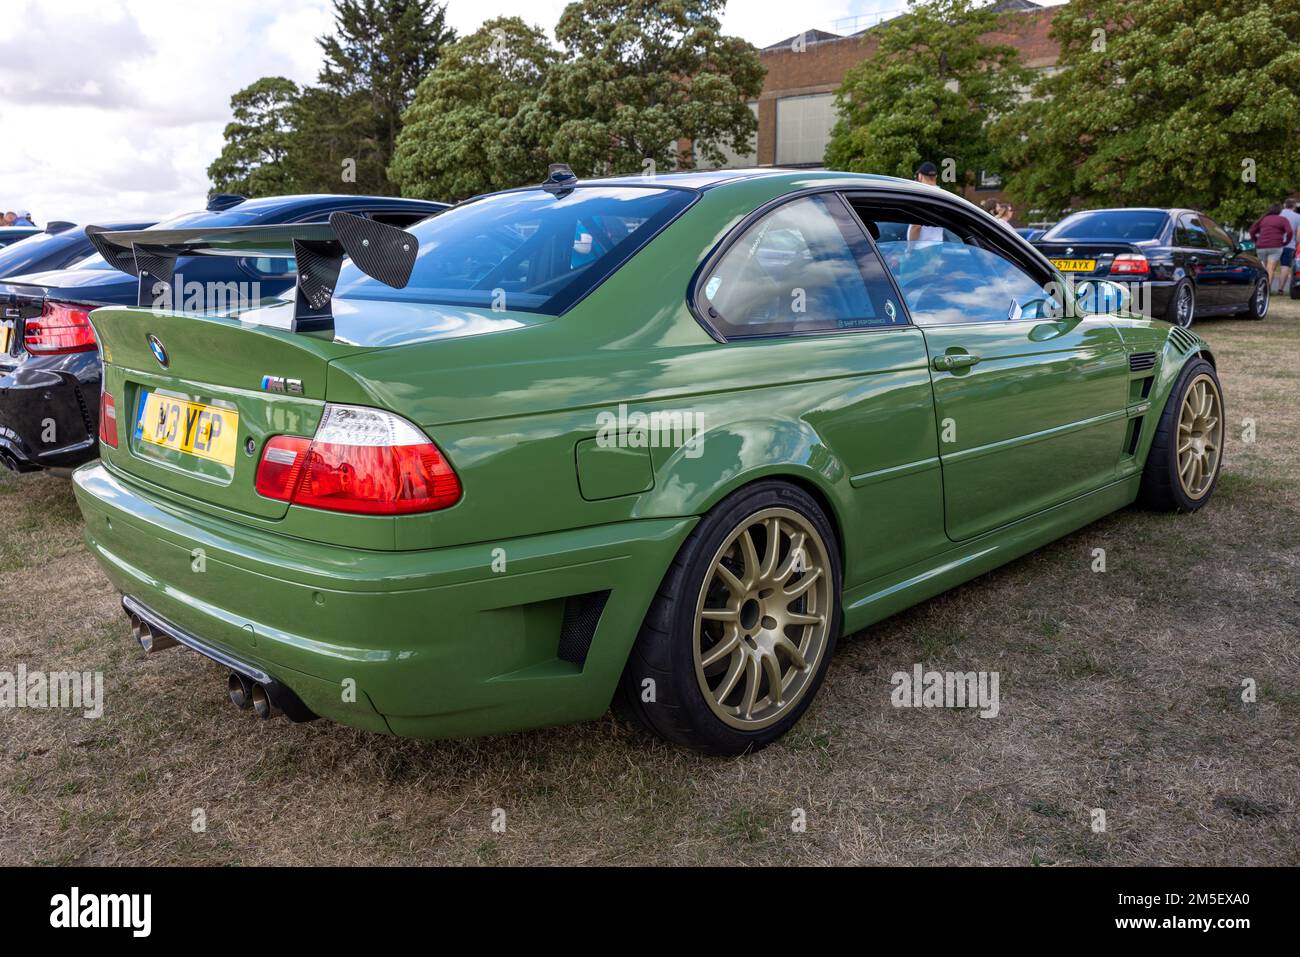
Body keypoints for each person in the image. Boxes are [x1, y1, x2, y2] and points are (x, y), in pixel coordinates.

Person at [1249, 203, 1294, 293]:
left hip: (1261, 246)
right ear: (1280, 211)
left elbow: (1252, 231)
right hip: (1276, 246)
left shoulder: (1262, 219)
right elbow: (1289, 232)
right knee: (1270, 269)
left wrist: (1256, 241)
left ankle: (1259, 289)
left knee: (1262, 269)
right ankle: (1266, 291)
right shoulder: (1283, 220)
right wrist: (1286, 242)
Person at [908, 162, 945, 245]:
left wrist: (910, 249)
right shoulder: (943, 195)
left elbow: (916, 226)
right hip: (937, 246)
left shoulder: (923, 195)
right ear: (936, 176)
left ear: (920, 176)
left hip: (921, 248)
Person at [1277, 198, 1300, 293]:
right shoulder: (1298, 217)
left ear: (1284, 204)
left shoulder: (1278, 214)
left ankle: (1267, 287)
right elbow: (1298, 235)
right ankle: (1280, 289)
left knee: (1270, 266)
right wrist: (1297, 243)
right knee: (1285, 266)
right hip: (1289, 245)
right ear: (1294, 206)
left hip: (1275, 244)